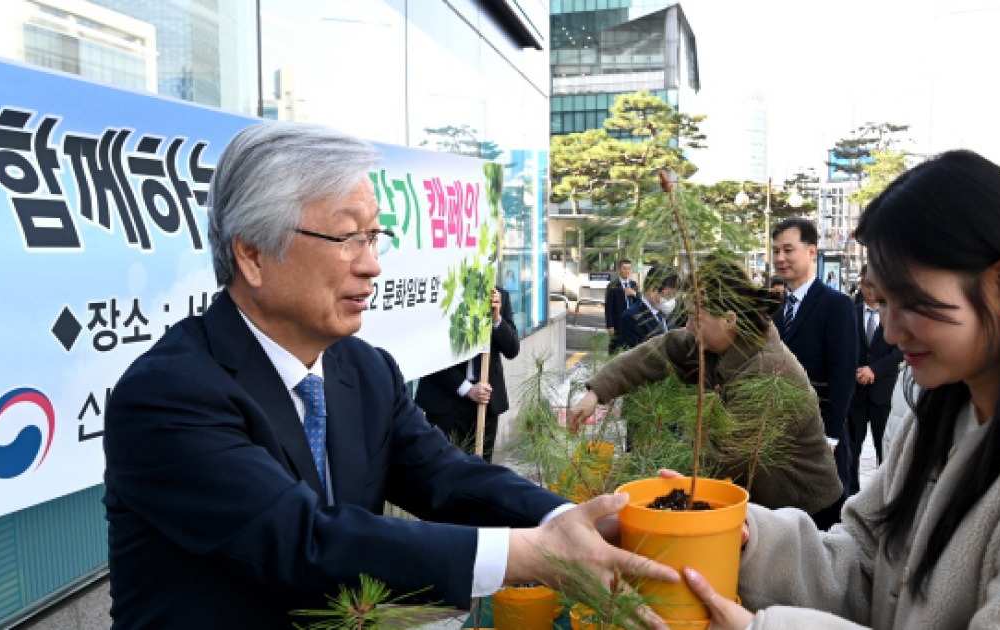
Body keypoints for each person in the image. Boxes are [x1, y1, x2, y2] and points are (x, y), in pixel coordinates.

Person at [101, 122, 677, 627]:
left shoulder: (365, 369)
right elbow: (304, 541)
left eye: (374, 236)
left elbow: (446, 477)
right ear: (251, 254)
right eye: (347, 236)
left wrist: (563, 522)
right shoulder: (167, 395)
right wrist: (533, 554)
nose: (372, 264)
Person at [679, 149, 1000, 629]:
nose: (892, 331)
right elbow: (863, 563)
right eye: (880, 299)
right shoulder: (946, 408)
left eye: (913, 302)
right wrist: (729, 534)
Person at [569, 257, 842, 513]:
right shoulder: (714, 342)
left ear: (729, 318)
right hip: (759, 501)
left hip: (806, 507)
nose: (687, 327)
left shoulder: (767, 371)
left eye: (695, 319)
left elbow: (719, 457)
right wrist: (596, 392)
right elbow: (658, 351)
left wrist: (637, 474)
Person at [770, 217, 858, 528]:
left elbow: (843, 373)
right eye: (776, 251)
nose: (780, 259)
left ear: (811, 251)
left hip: (821, 434)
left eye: (788, 250)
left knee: (824, 520)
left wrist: (830, 434)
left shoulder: (836, 305)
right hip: (781, 434)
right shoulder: (777, 310)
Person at [415, 286, 519, 461]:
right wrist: (467, 389)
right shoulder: (441, 293)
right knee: (444, 468)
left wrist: (496, 319)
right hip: (446, 401)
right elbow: (429, 352)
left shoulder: (499, 296)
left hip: (486, 403)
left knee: (481, 472)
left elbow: (512, 349)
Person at [846, 265, 903, 494]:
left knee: (884, 448)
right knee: (852, 449)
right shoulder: (851, 312)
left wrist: (874, 370)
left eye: (875, 285)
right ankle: (851, 495)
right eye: (867, 284)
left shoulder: (893, 313)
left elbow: (899, 351)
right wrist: (857, 371)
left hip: (882, 391)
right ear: (861, 285)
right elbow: (843, 347)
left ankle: (884, 495)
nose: (870, 290)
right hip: (856, 393)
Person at [615, 264, 679, 350]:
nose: (670, 300)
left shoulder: (667, 315)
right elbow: (639, 356)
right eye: (668, 295)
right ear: (653, 290)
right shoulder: (631, 317)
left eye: (673, 295)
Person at [604, 258, 639, 352]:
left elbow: (640, 302)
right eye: (624, 268)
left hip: (631, 322)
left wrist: (634, 294)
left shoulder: (633, 284)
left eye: (629, 268)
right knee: (614, 348)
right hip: (617, 322)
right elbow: (608, 307)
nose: (627, 271)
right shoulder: (613, 285)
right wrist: (610, 325)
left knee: (630, 348)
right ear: (619, 270)